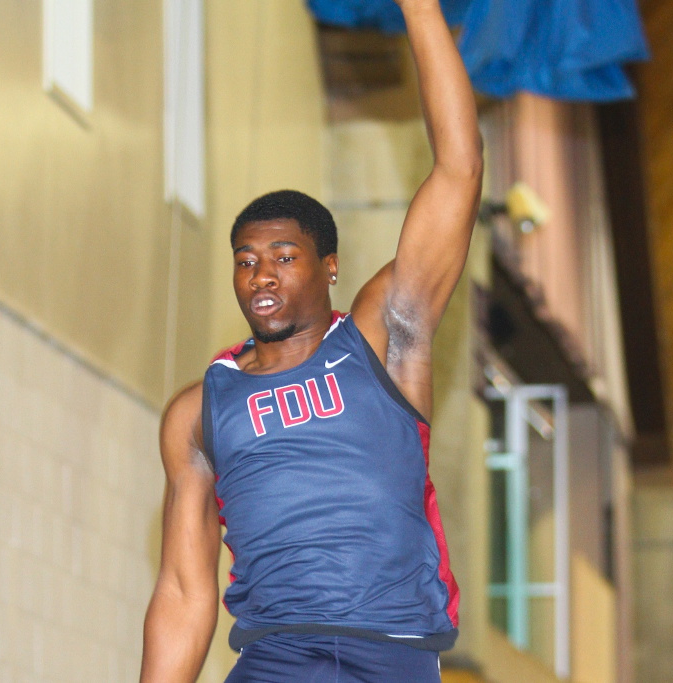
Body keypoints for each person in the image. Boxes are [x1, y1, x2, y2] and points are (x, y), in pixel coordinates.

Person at [141, 0, 482, 680]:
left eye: (284, 256)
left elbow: (459, 170)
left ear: (330, 267)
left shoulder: (384, 339)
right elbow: (182, 590)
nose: (261, 273)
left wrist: (419, 8)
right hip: (277, 657)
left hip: (392, 651)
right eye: (245, 259)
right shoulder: (198, 412)